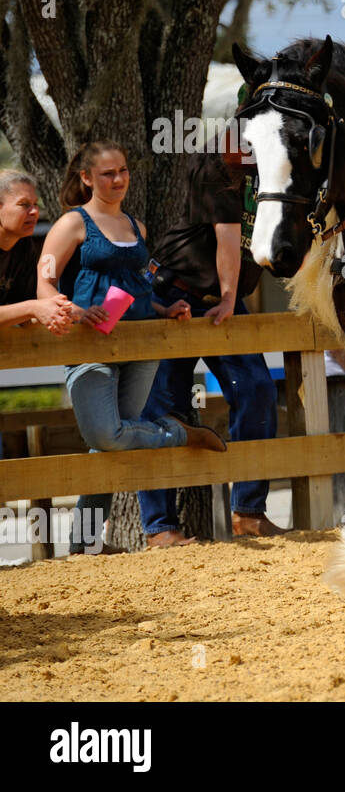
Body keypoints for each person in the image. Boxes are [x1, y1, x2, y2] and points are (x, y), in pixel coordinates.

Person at [37, 141, 227, 552]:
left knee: (104, 446)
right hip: (90, 346)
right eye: (108, 173)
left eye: (123, 170)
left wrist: (164, 307)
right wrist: (68, 311)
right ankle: (177, 432)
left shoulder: (136, 227)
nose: (119, 179)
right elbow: (45, 281)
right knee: (108, 434)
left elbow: (136, 289)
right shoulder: (72, 224)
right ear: (86, 178)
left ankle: (85, 545)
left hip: (141, 343)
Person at [140, 145, 286, 538]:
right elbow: (227, 238)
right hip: (174, 291)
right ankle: (160, 530)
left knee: (257, 389)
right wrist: (227, 297)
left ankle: (249, 514)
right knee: (161, 408)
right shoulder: (216, 163)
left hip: (223, 297)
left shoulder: (278, 171)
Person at [0, 169, 75, 333]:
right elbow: (28, 308)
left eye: (35, 204)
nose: (34, 212)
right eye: (24, 205)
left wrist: (60, 312)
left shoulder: (24, 246)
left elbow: (23, 313)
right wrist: (33, 308)